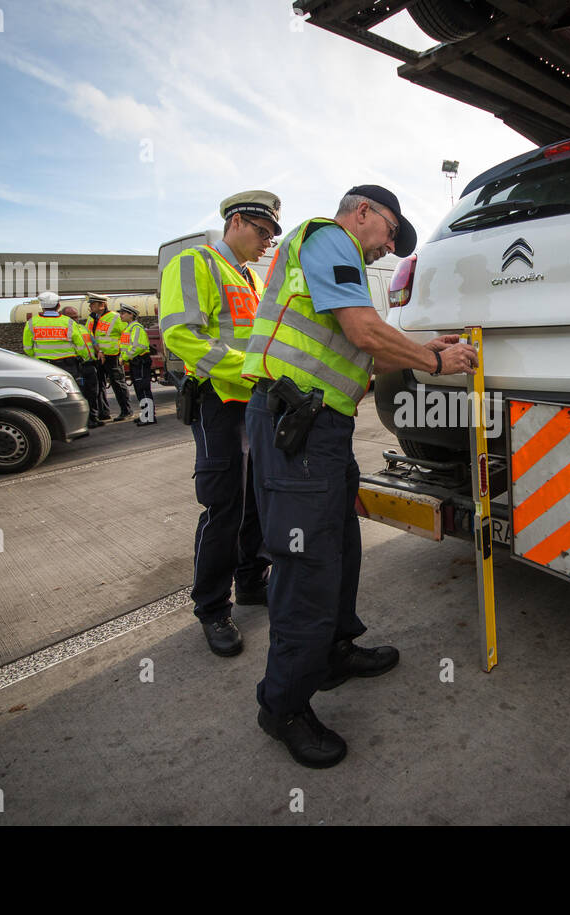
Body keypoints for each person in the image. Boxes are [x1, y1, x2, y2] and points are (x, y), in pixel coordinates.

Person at [241, 185, 477, 768]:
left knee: (341, 548)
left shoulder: (339, 259)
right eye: (390, 234)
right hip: (296, 426)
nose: (387, 249)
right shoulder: (330, 237)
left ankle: (334, 653)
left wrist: (424, 347)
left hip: (322, 430)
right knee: (308, 567)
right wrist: (435, 361)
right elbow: (364, 332)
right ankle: (283, 705)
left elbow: (366, 351)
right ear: (364, 211)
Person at [159, 190, 279, 657]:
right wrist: (246, 370)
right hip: (218, 402)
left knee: (255, 500)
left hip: (251, 403)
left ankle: (251, 580)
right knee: (224, 506)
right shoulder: (195, 263)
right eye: (263, 232)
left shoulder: (248, 277)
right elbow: (181, 334)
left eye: (272, 235)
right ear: (237, 222)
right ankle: (211, 607)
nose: (268, 242)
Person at [22, 291, 92, 382]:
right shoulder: (69, 322)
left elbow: (27, 348)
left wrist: (37, 357)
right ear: (58, 306)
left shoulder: (31, 323)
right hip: (68, 364)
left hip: (44, 364)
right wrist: (86, 358)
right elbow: (80, 345)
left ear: (42, 306)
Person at [87, 294, 133, 422]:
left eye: (93, 304)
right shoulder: (91, 319)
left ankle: (126, 411)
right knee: (99, 386)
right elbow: (89, 336)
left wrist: (122, 352)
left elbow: (126, 335)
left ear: (102, 305)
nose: (90, 306)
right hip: (98, 356)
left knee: (118, 384)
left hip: (113, 356)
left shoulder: (115, 317)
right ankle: (104, 413)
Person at [118, 303, 156, 426]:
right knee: (140, 390)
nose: (121, 315)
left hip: (140, 361)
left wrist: (123, 357)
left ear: (131, 315)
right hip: (136, 362)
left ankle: (149, 417)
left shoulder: (136, 328)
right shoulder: (129, 328)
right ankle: (146, 414)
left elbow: (138, 347)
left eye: (123, 313)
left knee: (143, 389)